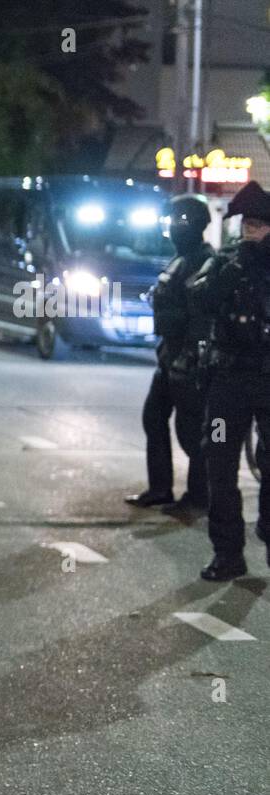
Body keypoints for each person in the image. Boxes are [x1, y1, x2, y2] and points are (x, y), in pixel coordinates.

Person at [190, 180, 270, 581]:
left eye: (258, 225)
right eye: (246, 225)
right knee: (219, 459)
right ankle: (227, 552)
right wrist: (231, 273)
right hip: (229, 383)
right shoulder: (225, 263)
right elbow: (198, 299)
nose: (249, 232)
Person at [125, 195, 215, 513]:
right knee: (154, 417)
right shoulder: (181, 258)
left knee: (192, 431)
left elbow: (201, 316)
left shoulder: (205, 260)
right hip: (169, 355)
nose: (173, 228)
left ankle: (199, 497)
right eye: (171, 221)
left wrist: (190, 357)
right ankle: (160, 488)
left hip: (188, 361)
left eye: (179, 221)